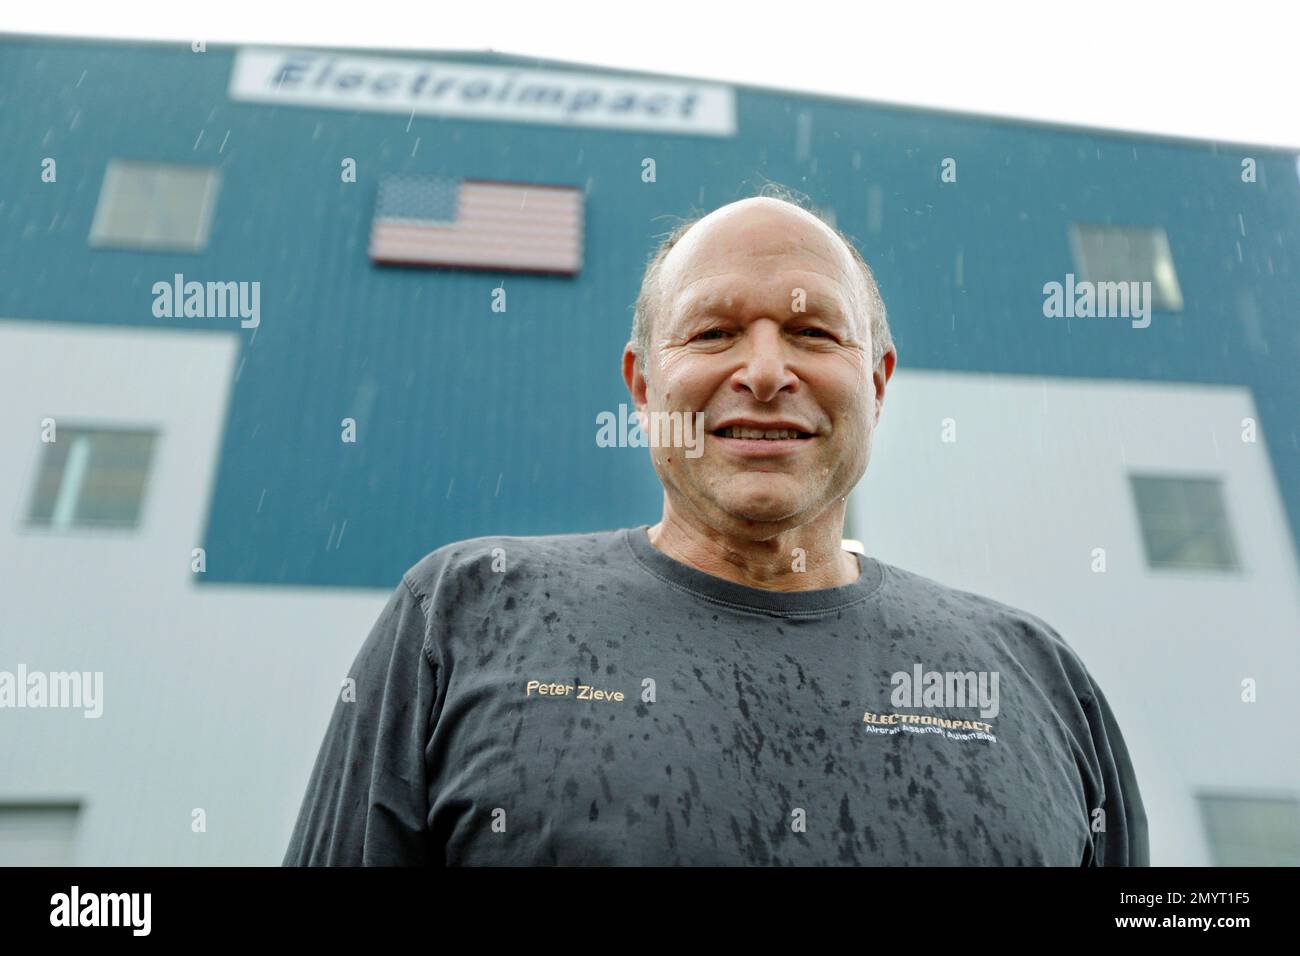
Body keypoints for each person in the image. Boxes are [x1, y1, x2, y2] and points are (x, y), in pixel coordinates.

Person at [282, 187, 1149, 866]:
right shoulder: (466, 613)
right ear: (644, 387)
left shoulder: (1037, 680)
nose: (766, 372)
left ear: (878, 383)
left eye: (813, 332)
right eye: (713, 332)